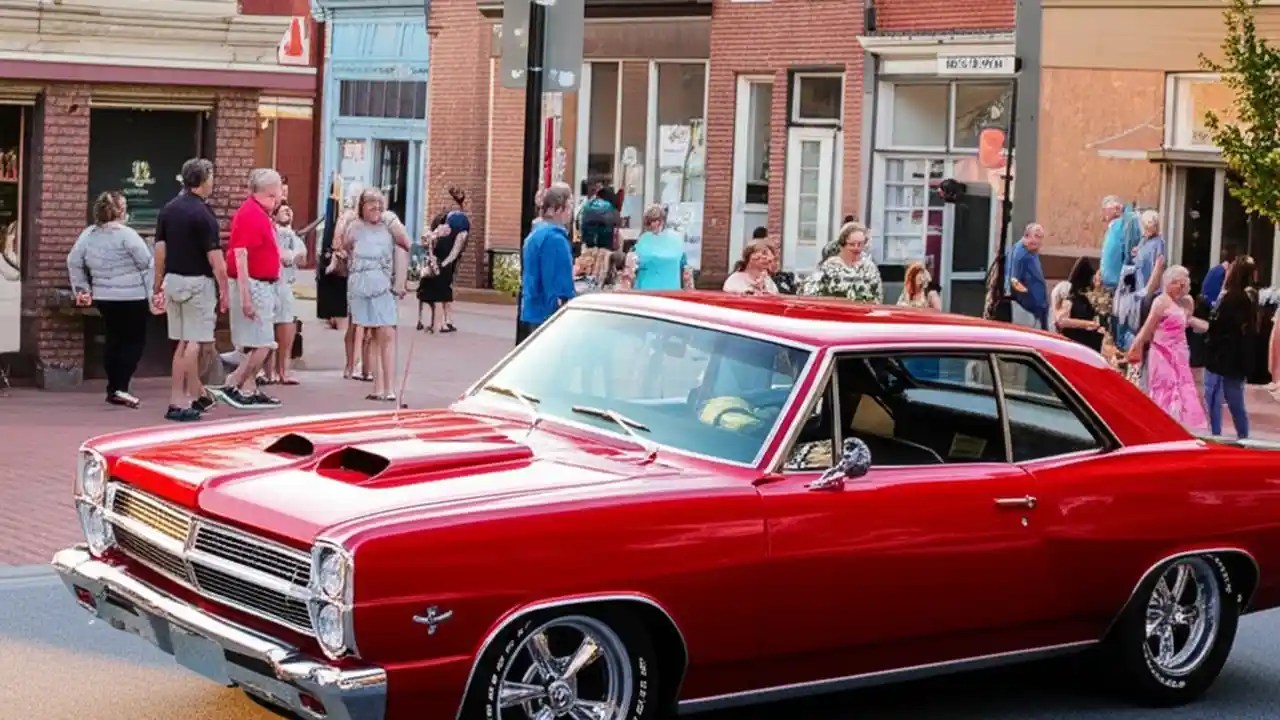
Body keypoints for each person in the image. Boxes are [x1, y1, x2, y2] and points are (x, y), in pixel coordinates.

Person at [154, 157, 227, 422]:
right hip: (198, 282)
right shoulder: (203, 214)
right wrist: (224, 290)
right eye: (212, 177)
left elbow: (159, 250)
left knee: (181, 342)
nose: (213, 182)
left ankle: (189, 394)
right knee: (194, 343)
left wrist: (157, 284)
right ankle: (181, 400)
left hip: (173, 281)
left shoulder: (168, 209)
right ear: (204, 179)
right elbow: (215, 258)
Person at [67, 191, 153, 408]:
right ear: (121, 211)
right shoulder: (128, 235)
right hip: (132, 296)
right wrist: (153, 293)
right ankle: (121, 387)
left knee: (113, 339)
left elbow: (73, 260)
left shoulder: (89, 235)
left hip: (104, 296)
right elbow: (146, 263)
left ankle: (113, 386)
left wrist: (82, 289)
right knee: (134, 342)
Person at [215, 168, 285, 410]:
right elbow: (241, 255)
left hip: (261, 282)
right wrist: (245, 297)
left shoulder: (257, 213)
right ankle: (234, 382)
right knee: (264, 342)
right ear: (270, 192)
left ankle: (249, 388)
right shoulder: (251, 215)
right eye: (277, 193)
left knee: (255, 341)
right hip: (255, 283)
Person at [340, 187, 412, 401]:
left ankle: (390, 388)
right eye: (371, 202)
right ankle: (377, 387)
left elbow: (406, 243)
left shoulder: (389, 224)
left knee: (386, 334)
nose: (376, 207)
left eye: (379, 203)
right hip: (360, 284)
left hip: (382, 284)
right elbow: (346, 247)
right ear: (362, 206)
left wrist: (399, 281)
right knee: (371, 335)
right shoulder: (355, 227)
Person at [1127, 263, 1209, 431]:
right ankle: (1161, 426)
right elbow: (1147, 329)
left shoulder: (1187, 302)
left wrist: (1203, 325)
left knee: (1185, 391)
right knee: (1165, 389)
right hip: (1162, 353)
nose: (1180, 287)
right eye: (1176, 283)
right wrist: (1135, 347)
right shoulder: (1160, 302)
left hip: (1180, 354)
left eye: (1183, 284)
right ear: (1168, 283)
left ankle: (1184, 427)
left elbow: (1188, 322)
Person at [1204, 257, 1257, 438]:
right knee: (1232, 397)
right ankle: (1240, 435)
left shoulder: (1233, 298)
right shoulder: (1244, 298)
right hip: (1234, 356)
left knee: (1216, 396)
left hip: (1224, 355)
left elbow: (1219, 325)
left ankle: (1220, 433)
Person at [518, 184, 576, 343]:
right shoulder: (556, 239)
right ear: (557, 209)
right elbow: (560, 284)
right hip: (549, 313)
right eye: (568, 207)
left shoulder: (534, 235)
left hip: (533, 309)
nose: (570, 213)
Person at [417, 187, 470, 333]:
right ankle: (444, 322)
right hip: (442, 261)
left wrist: (443, 264)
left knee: (443, 293)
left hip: (444, 262)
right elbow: (431, 241)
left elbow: (455, 251)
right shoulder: (446, 224)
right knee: (443, 292)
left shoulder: (458, 227)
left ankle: (443, 322)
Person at [263, 201, 305, 385]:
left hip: (285, 285)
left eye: (289, 209)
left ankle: (283, 370)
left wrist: (292, 254)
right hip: (269, 283)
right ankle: (266, 371)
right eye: (283, 210)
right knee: (267, 330)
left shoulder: (293, 236)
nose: (288, 211)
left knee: (287, 327)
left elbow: (302, 258)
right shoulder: (271, 231)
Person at [799, 221, 883, 303]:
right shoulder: (830, 266)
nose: (856, 248)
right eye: (852, 244)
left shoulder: (869, 267)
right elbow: (808, 294)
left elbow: (878, 298)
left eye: (860, 244)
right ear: (842, 245)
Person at [630, 204, 692, 291]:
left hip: (647, 290)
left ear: (661, 221)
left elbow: (634, 263)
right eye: (650, 222)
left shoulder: (644, 240)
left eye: (653, 221)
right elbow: (685, 267)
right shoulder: (676, 239)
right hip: (670, 291)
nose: (652, 225)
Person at [1054, 257, 1104, 353]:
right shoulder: (1072, 297)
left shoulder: (1087, 297)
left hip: (1088, 347)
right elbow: (1061, 321)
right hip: (1076, 346)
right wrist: (1087, 324)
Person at [1006, 223, 1048, 329]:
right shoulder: (1020, 254)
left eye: (1041, 238)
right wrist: (1030, 297)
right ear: (1026, 235)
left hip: (1039, 310)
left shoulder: (1032, 251)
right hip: (1027, 311)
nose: (1038, 242)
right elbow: (1014, 281)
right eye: (1036, 236)